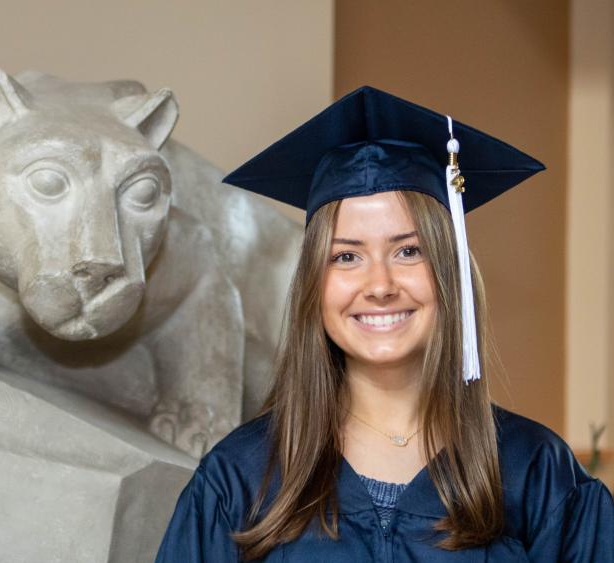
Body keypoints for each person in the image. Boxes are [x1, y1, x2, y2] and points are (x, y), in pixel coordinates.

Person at [154, 87, 614, 562]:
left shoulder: (535, 472)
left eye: (408, 251)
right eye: (346, 256)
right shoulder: (241, 478)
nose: (379, 284)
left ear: (449, 269)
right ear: (314, 282)